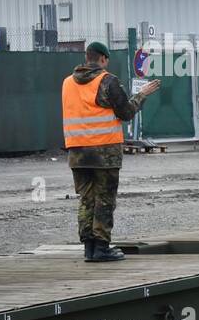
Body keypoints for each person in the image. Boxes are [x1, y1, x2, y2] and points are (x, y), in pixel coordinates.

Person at [62, 41, 160, 262]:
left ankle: (89, 248)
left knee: (86, 200)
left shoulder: (67, 83)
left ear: (87, 57)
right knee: (104, 200)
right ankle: (102, 247)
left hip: (77, 152)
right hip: (104, 152)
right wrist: (142, 94)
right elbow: (125, 112)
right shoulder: (107, 81)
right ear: (104, 59)